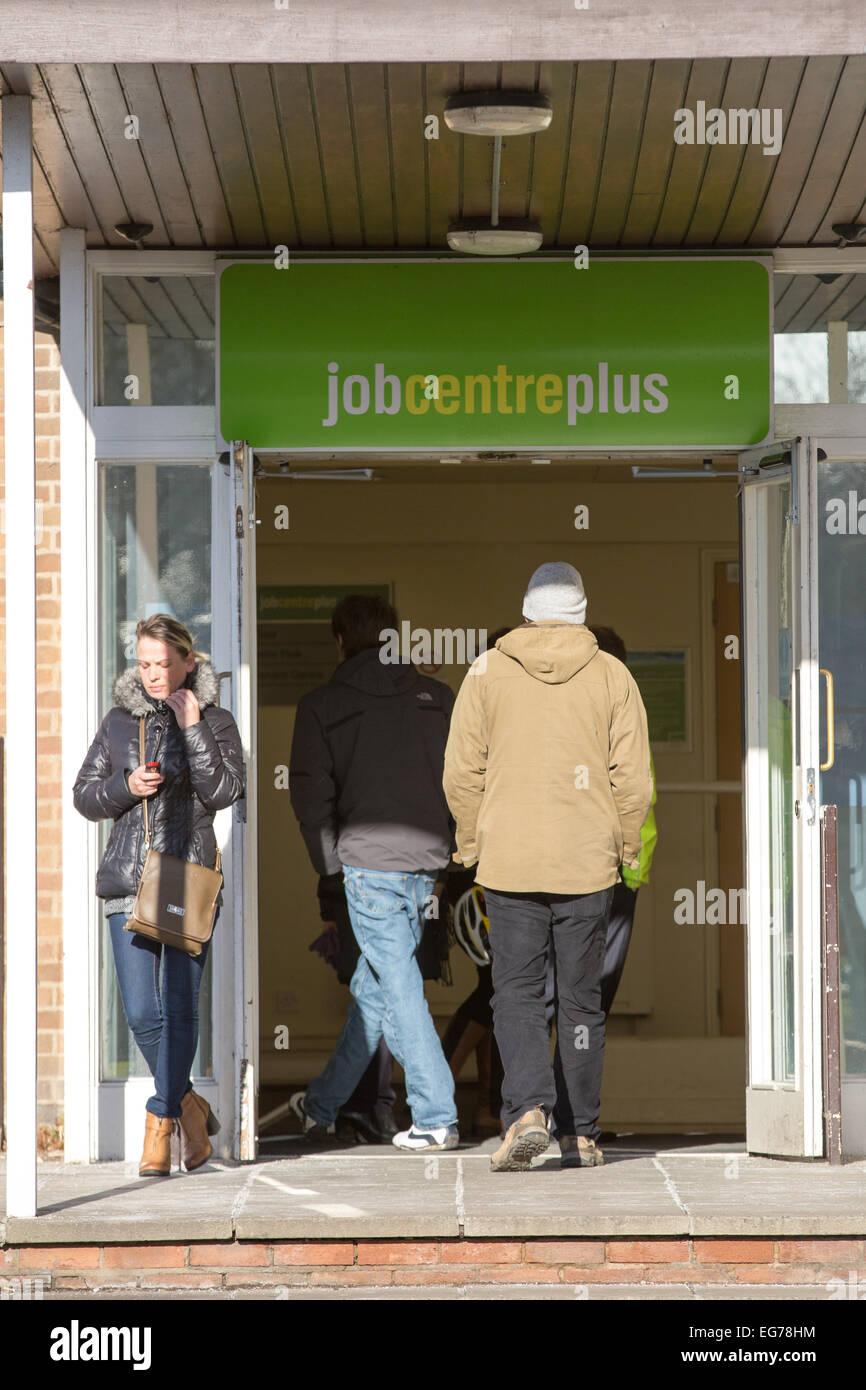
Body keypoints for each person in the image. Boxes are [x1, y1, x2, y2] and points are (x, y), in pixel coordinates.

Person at [443, 562, 653, 1172]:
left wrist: (473, 844)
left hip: (509, 860)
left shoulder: (485, 672)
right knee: (583, 1001)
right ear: (582, 610)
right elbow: (632, 778)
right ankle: (580, 1133)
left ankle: (527, 1113)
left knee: (516, 993)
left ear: (528, 610)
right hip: (587, 861)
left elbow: (461, 772)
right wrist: (624, 848)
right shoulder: (613, 675)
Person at [73, 614, 245, 1177]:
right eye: (145, 663)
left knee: (178, 1006)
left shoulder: (216, 719)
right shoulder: (119, 721)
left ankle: (160, 1117)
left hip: (184, 875)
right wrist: (127, 787)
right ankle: (190, 1108)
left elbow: (224, 791)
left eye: (163, 664)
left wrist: (193, 725)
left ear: (187, 662)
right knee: (143, 1012)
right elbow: (84, 795)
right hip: (128, 875)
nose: (152, 674)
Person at [288, 594, 459, 1152]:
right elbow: (467, 781)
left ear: (340, 641)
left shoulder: (322, 705)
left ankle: (435, 1115)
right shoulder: (437, 698)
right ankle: (322, 1106)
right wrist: (453, 856)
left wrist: (332, 871)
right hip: (429, 866)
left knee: (400, 986)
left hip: (370, 867)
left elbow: (310, 800)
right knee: (377, 989)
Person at [545, 624, 659, 1141]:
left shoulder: (570, 714)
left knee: (562, 999)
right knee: (585, 1001)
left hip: (585, 872)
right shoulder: (618, 713)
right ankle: (568, 1117)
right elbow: (635, 792)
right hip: (611, 875)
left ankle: (554, 1113)